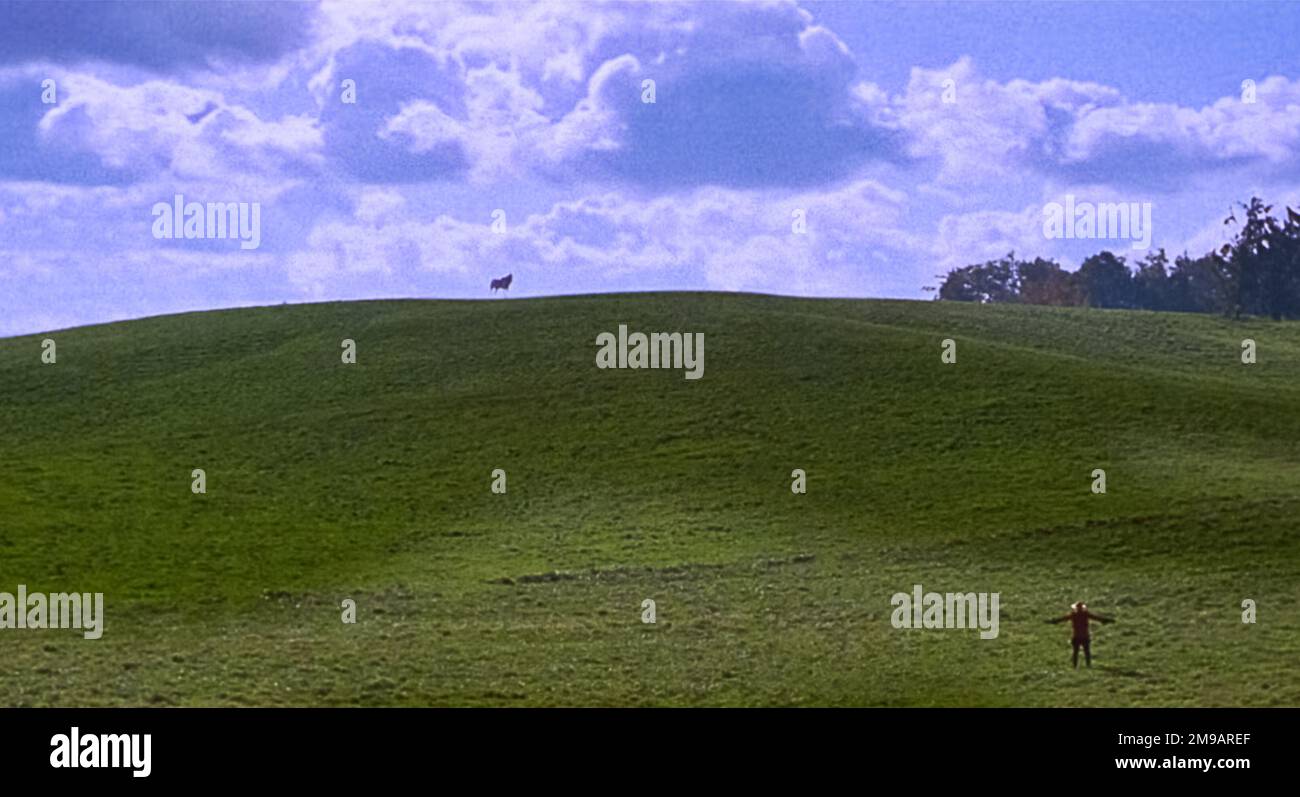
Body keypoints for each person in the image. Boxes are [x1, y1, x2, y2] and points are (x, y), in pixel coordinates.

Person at [1047, 602, 1114, 668]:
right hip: (1085, 636)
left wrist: (1053, 621)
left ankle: (1075, 666)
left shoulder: (1073, 615)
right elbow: (1097, 618)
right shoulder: (1085, 614)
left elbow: (1063, 619)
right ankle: (1088, 665)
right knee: (1087, 652)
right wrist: (1107, 620)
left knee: (1075, 652)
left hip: (1076, 636)